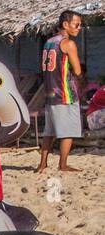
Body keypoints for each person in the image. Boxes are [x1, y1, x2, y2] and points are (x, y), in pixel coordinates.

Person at [37, 10, 85, 173]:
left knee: (49, 131)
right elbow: (77, 71)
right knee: (68, 131)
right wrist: (81, 85)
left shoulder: (49, 42)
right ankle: (63, 164)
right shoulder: (68, 44)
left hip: (50, 93)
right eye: (76, 24)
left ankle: (42, 163)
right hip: (65, 93)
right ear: (66, 24)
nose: (79, 28)